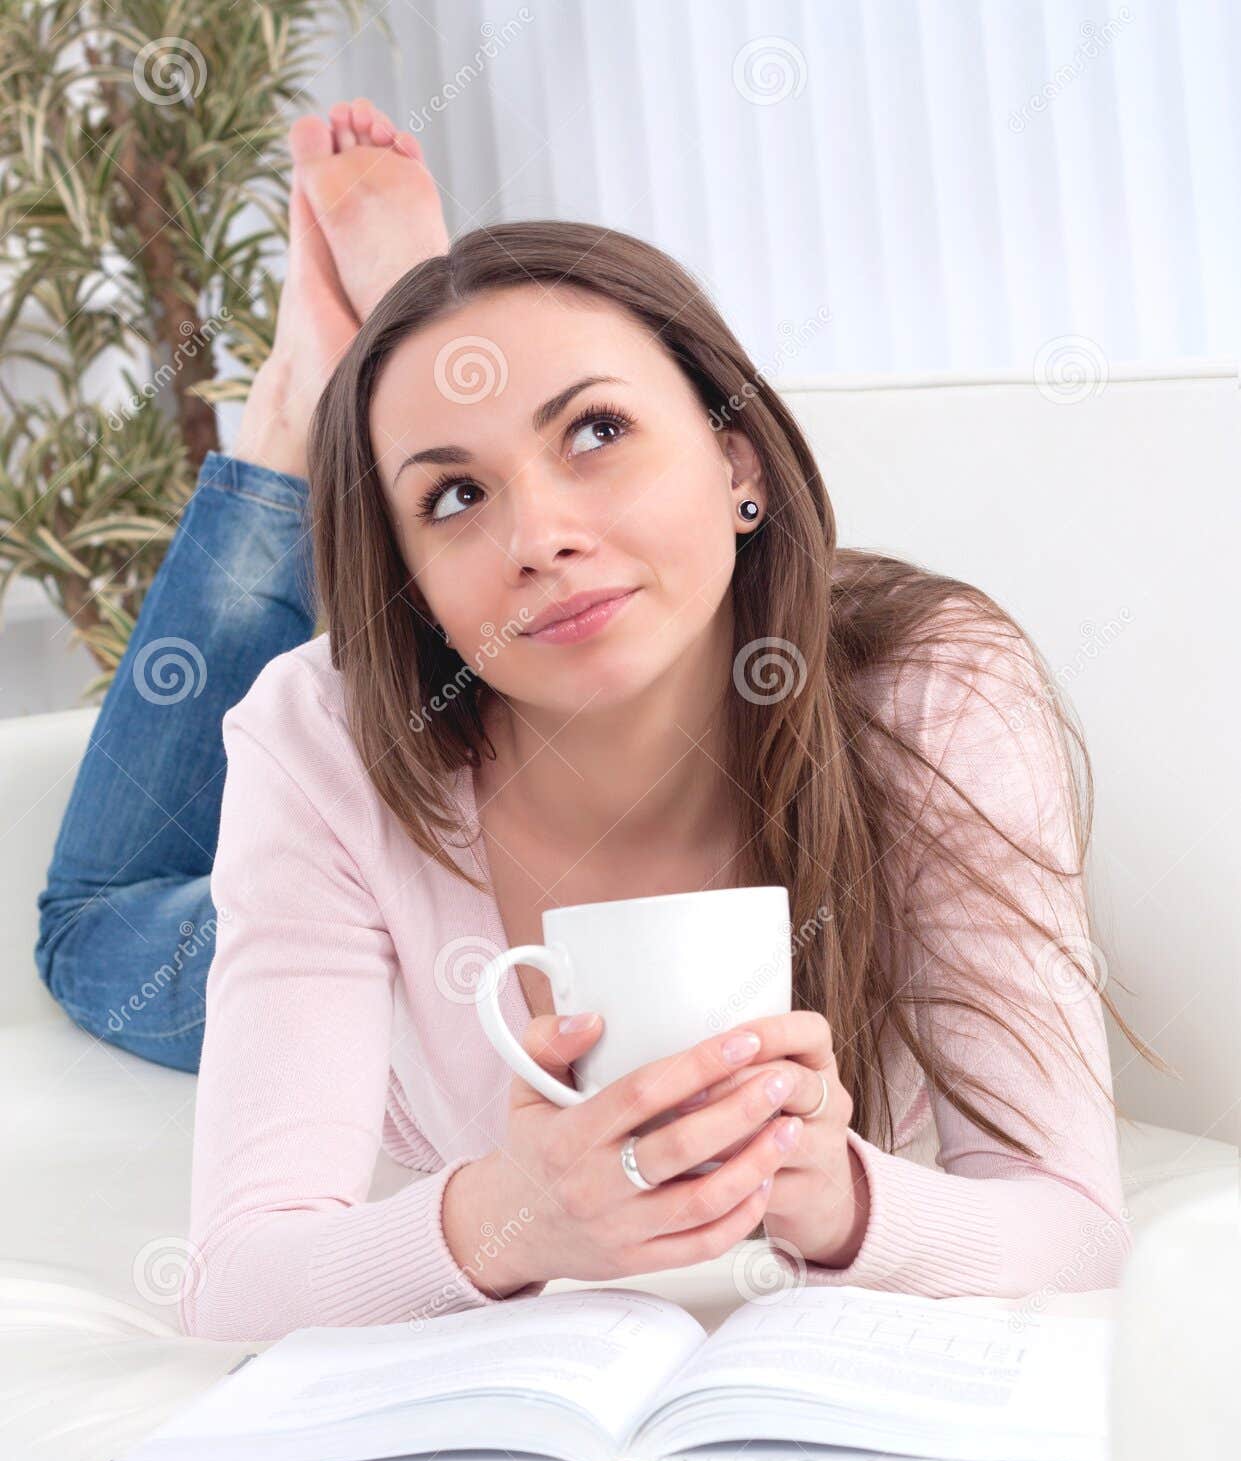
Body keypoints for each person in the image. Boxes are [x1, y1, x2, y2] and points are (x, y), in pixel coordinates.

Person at [35, 99, 1149, 1342]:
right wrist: (504, 1222)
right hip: (359, 967)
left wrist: (841, 1208)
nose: (540, 540)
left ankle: (388, 371)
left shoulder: (929, 694)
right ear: (405, 580)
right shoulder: (321, 737)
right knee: (96, 925)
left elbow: (1074, 1225)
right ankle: (302, 403)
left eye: (597, 431)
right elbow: (236, 1280)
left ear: (742, 465)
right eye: (455, 492)